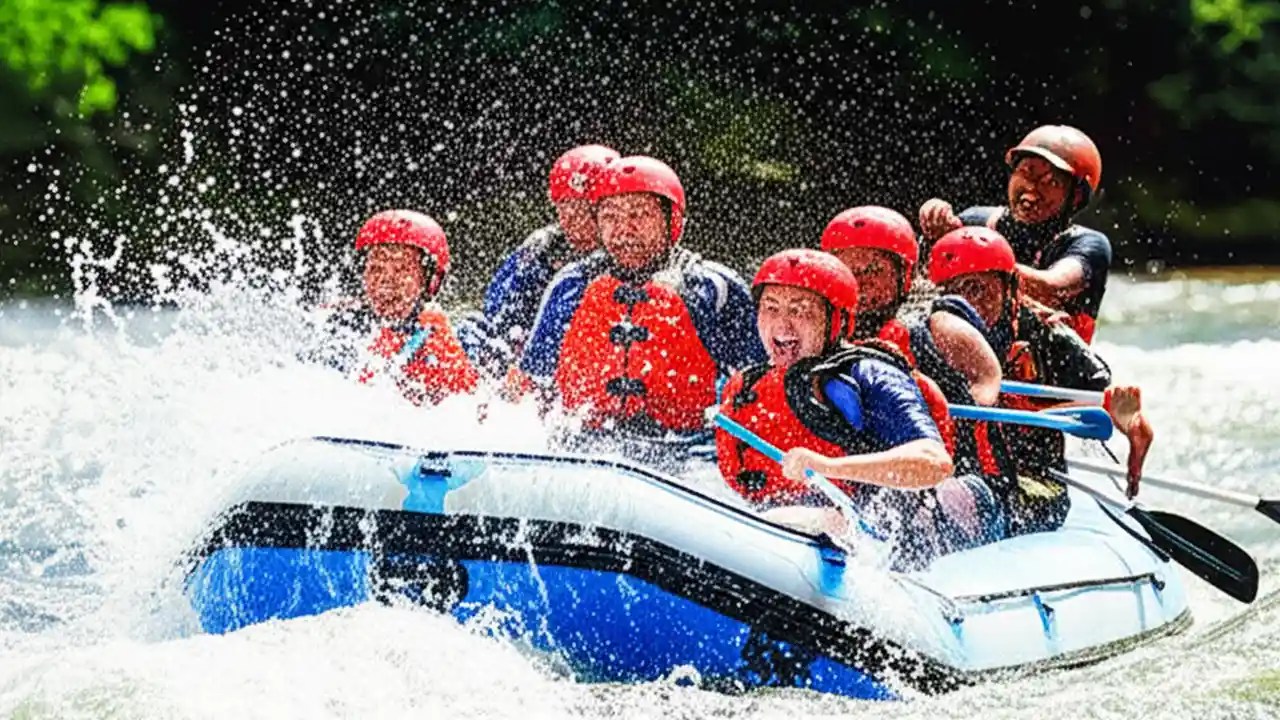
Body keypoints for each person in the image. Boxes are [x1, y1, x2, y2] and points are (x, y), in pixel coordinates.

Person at [714, 248, 1000, 565]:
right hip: (806, 519)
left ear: (836, 321)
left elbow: (934, 463)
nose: (782, 325)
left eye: (800, 310)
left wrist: (826, 467)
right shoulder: (747, 386)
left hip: (902, 523)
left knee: (797, 520)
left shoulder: (870, 375)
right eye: (771, 308)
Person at [519, 155, 764, 465]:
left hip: (689, 458)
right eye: (610, 217)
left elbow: (762, 388)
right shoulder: (569, 286)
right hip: (583, 448)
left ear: (672, 221)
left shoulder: (714, 288)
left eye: (639, 214)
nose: (624, 230)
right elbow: (529, 387)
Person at [927, 226, 1154, 533]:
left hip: (1032, 485)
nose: (970, 305)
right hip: (953, 472)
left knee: (957, 497)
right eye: (957, 292)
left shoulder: (1047, 334)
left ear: (1011, 291)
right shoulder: (928, 334)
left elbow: (1108, 402)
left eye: (981, 289)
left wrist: (1128, 420)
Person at [821, 206, 1016, 487]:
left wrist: (964, 407)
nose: (860, 282)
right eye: (849, 270)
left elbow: (986, 378)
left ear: (904, 277)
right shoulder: (816, 333)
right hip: (870, 470)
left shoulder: (935, 324)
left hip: (954, 473)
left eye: (875, 270)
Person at [918, 125, 1111, 344]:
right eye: (1026, 172)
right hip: (967, 349)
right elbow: (923, 279)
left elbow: (1052, 288)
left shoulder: (1089, 244)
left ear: (1075, 197)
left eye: (1051, 182)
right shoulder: (976, 221)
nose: (1032, 187)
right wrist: (935, 231)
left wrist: (968, 248)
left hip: (1046, 365)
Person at [459, 144, 620, 380]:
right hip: (530, 357)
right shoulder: (543, 247)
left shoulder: (630, 254)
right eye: (563, 208)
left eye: (581, 209)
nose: (571, 221)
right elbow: (497, 312)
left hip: (585, 360)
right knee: (469, 330)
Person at [311, 209, 481, 407]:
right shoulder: (344, 327)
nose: (386, 280)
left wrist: (448, 350)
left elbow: (476, 411)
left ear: (430, 282)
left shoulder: (461, 337)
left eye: (402, 269)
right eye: (376, 268)